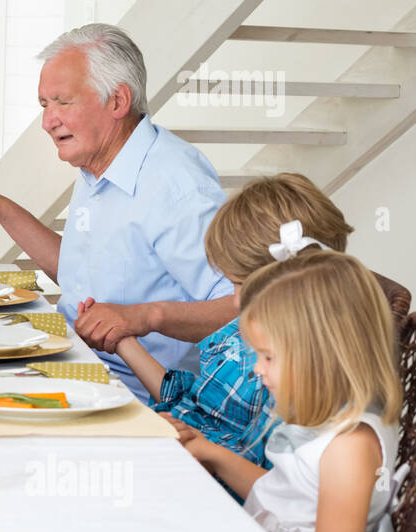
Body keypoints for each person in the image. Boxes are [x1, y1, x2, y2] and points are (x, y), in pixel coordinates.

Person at [0, 23, 234, 400]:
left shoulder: (175, 183)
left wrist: (144, 317)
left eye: (63, 102)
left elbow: (244, 308)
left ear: (117, 101)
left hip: (133, 397)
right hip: (73, 365)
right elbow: (80, 275)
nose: (48, 121)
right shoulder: (102, 164)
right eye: (44, 105)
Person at [171, 250, 416, 532]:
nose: (257, 369)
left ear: (321, 357)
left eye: (268, 356)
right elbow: (285, 495)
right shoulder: (327, 424)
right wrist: (213, 454)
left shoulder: (349, 446)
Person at [110, 173, 353, 470]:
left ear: (287, 282)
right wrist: (122, 339)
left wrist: (195, 446)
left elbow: (268, 484)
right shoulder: (245, 333)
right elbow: (193, 408)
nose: (235, 301)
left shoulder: (286, 366)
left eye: (238, 285)